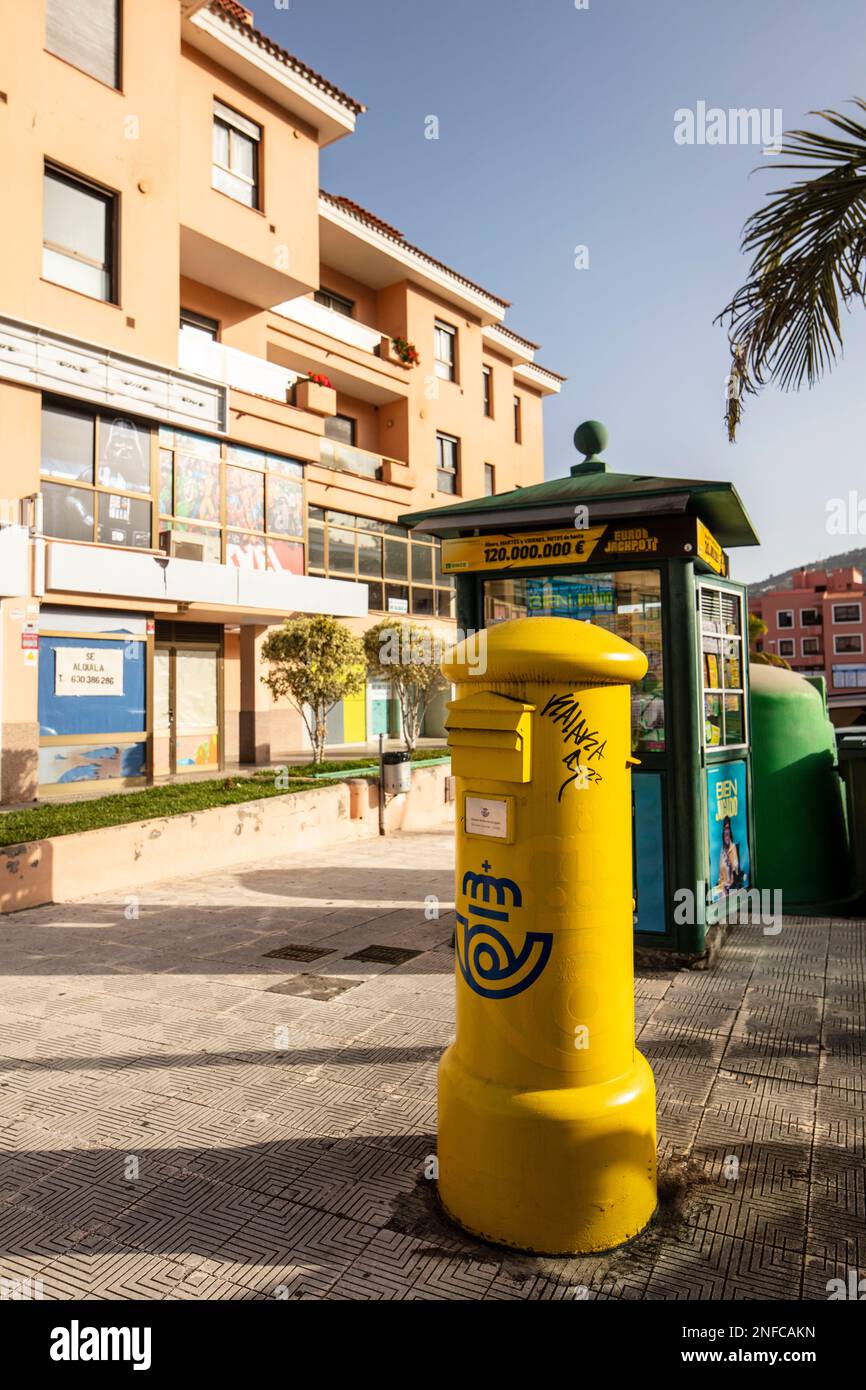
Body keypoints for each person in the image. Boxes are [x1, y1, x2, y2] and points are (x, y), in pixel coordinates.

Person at [717, 815, 740, 895]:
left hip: (732, 884)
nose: (726, 836)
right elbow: (720, 871)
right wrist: (722, 884)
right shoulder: (722, 850)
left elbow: (736, 868)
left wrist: (731, 865)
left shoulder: (733, 847)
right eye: (725, 834)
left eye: (728, 833)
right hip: (724, 885)